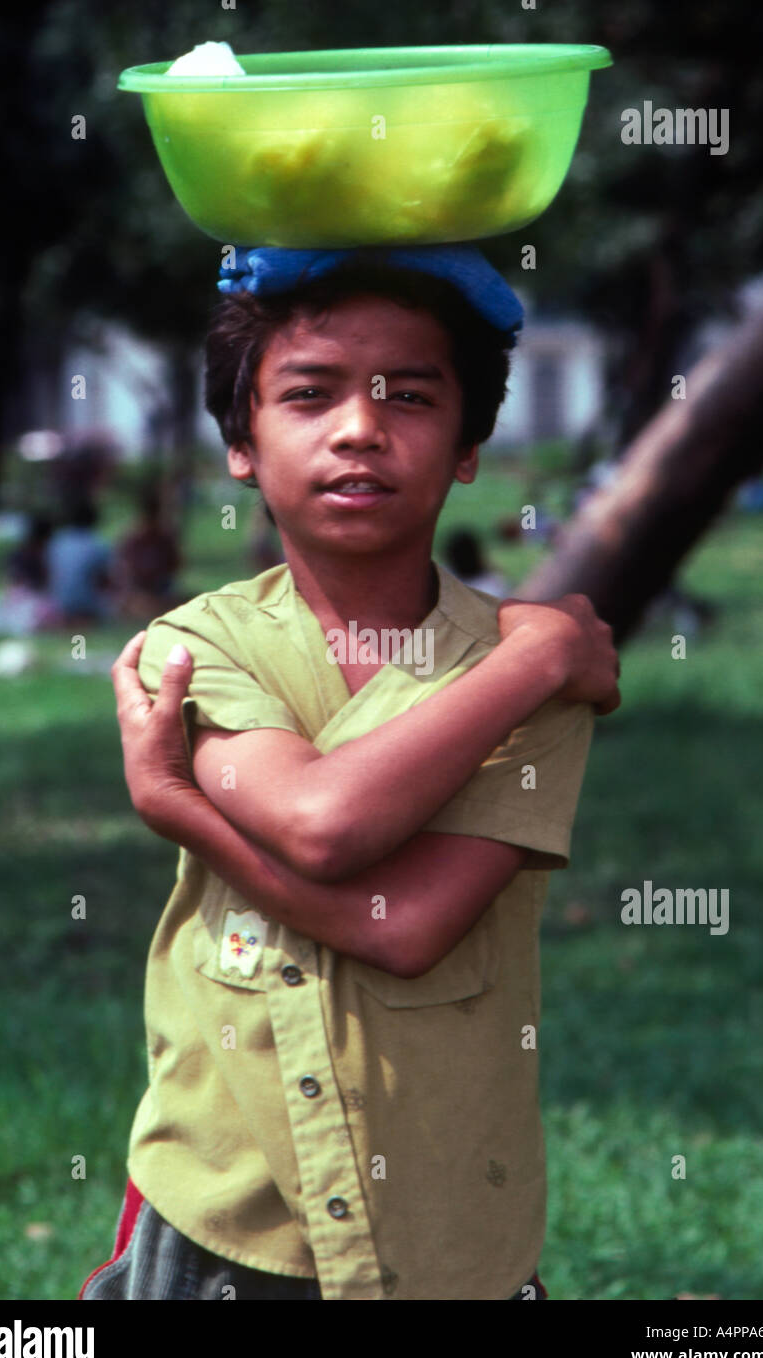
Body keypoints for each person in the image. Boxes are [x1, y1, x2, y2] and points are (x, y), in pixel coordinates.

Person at [84, 245, 621, 1302]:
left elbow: (406, 926)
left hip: (447, 1224)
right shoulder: (196, 649)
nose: (361, 427)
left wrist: (184, 805)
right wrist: (542, 656)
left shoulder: (528, 676)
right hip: (227, 1219)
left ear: (469, 446)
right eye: (309, 393)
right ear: (241, 442)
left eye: (410, 396)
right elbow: (326, 826)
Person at [112, 491, 181, 620]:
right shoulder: (134, 537)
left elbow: (175, 565)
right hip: (138, 589)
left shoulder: (164, 536)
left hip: (159, 589)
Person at [46, 499, 112, 623]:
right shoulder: (97, 544)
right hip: (87, 605)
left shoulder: (57, 541)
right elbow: (104, 580)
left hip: (59, 603)